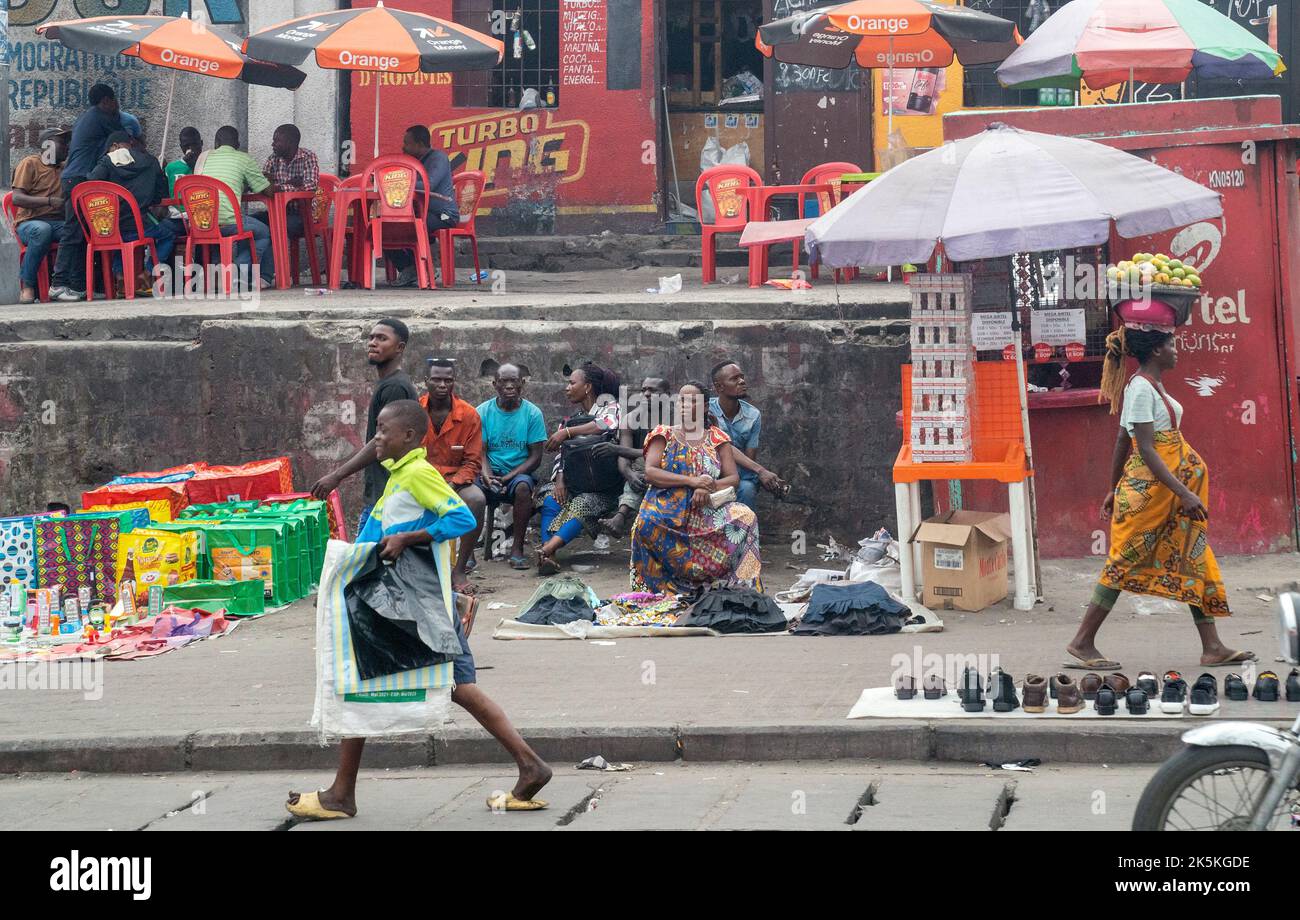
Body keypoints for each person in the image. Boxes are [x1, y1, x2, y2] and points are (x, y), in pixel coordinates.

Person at [286, 399, 552, 820]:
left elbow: (462, 519)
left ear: (408, 437)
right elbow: (375, 535)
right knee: (383, 681)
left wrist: (410, 538)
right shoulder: (398, 475)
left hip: (421, 605)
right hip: (413, 603)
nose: (375, 438)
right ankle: (529, 765)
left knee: (379, 681)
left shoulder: (417, 473)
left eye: (382, 431)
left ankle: (342, 794)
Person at [1068, 312, 1254, 671]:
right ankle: (1082, 641)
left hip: (1163, 496)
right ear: (1155, 350)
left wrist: (1111, 488)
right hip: (1153, 497)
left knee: (1194, 555)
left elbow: (1123, 440)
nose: (1175, 350)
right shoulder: (1140, 388)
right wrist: (1184, 491)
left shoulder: (1150, 386)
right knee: (1122, 563)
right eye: (1170, 345)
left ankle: (1212, 646)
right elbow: (1147, 449)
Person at [630, 381, 762, 595]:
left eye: (692, 400)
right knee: (644, 522)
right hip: (668, 504)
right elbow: (651, 473)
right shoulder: (663, 434)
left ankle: (740, 588)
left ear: (704, 407)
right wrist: (692, 482)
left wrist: (706, 486)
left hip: (708, 508)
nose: (684, 404)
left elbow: (733, 478)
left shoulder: (717, 438)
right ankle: (657, 590)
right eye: (682, 399)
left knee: (746, 517)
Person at [311, 319, 420, 532]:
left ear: (400, 347)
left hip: (387, 495)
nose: (372, 343)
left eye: (382, 338)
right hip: (384, 493)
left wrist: (337, 475)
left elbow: (382, 440)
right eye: (371, 337)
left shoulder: (395, 388)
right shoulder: (388, 384)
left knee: (364, 560)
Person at [536, 363, 623, 575]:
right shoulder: (570, 420)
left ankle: (546, 550)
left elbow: (605, 425)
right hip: (574, 483)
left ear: (588, 387)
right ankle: (550, 556)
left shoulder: (612, 409)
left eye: (572, 383)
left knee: (583, 505)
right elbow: (561, 455)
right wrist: (560, 481)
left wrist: (566, 433)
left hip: (603, 489)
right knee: (550, 499)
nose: (567, 387)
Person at [48, 84, 124, 301]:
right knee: (72, 232)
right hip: (78, 179)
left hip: (76, 178)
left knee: (83, 233)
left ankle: (78, 286)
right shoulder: (101, 116)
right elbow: (123, 134)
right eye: (115, 100)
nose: (117, 104)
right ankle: (58, 284)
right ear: (107, 101)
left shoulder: (88, 117)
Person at [419, 358, 486, 594]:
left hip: (456, 480)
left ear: (454, 382)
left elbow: (472, 461)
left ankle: (459, 569)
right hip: (421, 481)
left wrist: (452, 484)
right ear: (426, 381)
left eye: (448, 380)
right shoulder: (414, 411)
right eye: (436, 379)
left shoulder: (469, 415)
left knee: (477, 500)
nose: (442, 384)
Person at [86, 131, 176, 295]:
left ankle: (119, 275)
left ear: (114, 146)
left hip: (111, 228)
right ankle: (148, 273)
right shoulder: (150, 161)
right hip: (141, 226)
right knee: (168, 235)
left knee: (118, 240)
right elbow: (160, 194)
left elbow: (91, 185)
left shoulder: (107, 162)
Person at [476, 363, 546, 570]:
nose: (509, 386)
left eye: (513, 381)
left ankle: (517, 550)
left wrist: (507, 478)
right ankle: (468, 554)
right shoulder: (483, 412)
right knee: (471, 493)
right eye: (503, 381)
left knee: (524, 488)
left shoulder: (532, 414)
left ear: (522, 383)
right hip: (489, 471)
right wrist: (488, 476)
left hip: (518, 473)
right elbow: (480, 452)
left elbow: (536, 458)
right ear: (494, 384)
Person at [196, 125, 272, 286]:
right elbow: (268, 191)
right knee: (264, 232)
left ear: (216, 143)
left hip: (201, 223)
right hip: (229, 222)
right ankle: (237, 269)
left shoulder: (203, 157)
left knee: (228, 231)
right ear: (237, 145)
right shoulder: (243, 159)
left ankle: (218, 275)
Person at [596, 376, 672, 537]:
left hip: (671, 466)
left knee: (645, 463)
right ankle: (620, 517)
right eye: (643, 390)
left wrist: (616, 449)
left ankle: (620, 516)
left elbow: (665, 453)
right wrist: (629, 474)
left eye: (653, 390)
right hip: (644, 469)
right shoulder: (630, 419)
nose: (646, 394)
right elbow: (625, 454)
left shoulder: (676, 419)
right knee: (639, 469)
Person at [387, 124, 459, 288]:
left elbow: (429, 184)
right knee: (387, 226)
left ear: (419, 144)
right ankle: (412, 268)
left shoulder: (438, 158)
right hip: (423, 213)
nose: (403, 147)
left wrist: (399, 183)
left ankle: (420, 268)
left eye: (407, 143)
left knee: (410, 226)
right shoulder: (416, 162)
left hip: (444, 214)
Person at [709, 361, 786, 510]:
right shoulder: (708, 411)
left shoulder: (753, 415)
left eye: (742, 377)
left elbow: (750, 459)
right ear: (719, 387)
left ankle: (743, 531)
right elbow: (724, 447)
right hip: (710, 472)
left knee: (748, 488)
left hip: (738, 476)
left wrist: (761, 476)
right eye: (734, 379)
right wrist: (761, 471)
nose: (742, 381)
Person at [10, 126, 70, 303]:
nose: (67, 146)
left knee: (76, 230)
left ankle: (65, 284)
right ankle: (27, 286)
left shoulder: (64, 168)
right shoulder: (30, 163)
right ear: (48, 145)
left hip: (57, 222)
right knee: (42, 230)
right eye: (62, 143)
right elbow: (17, 198)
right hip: (29, 223)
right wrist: (50, 201)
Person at [262, 123, 319, 243]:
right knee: (251, 224)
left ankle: (276, 262)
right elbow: (262, 184)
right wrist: (290, 184)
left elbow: (311, 185)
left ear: (290, 143)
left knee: (274, 228)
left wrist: (279, 187)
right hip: (276, 212)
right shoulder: (273, 159)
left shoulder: (308, 157)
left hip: (302, 215)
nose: (273, 144)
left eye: (277, 141)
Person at [165, 126, 203, 196]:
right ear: (181, 147)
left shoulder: (209, 164)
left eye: (194, 144)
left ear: (201, 143)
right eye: (186, 146)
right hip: (175, 206)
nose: (191, 149)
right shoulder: (171, 168)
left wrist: (195, 166)